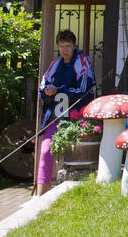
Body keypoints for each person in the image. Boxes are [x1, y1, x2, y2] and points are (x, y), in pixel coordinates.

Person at [35, 30, 97, 195]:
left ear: (74, 46)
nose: (65, 50)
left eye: (68, 46)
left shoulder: (82, 61)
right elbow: (43, 85)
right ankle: (40, 195)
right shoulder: (55, 64)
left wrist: (60, 91)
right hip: (56, 115)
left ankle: (67, 193)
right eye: (61, 46)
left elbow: (84, 90)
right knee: (46, 150)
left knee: (73, 154)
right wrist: (48, 92)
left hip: (76, 116)